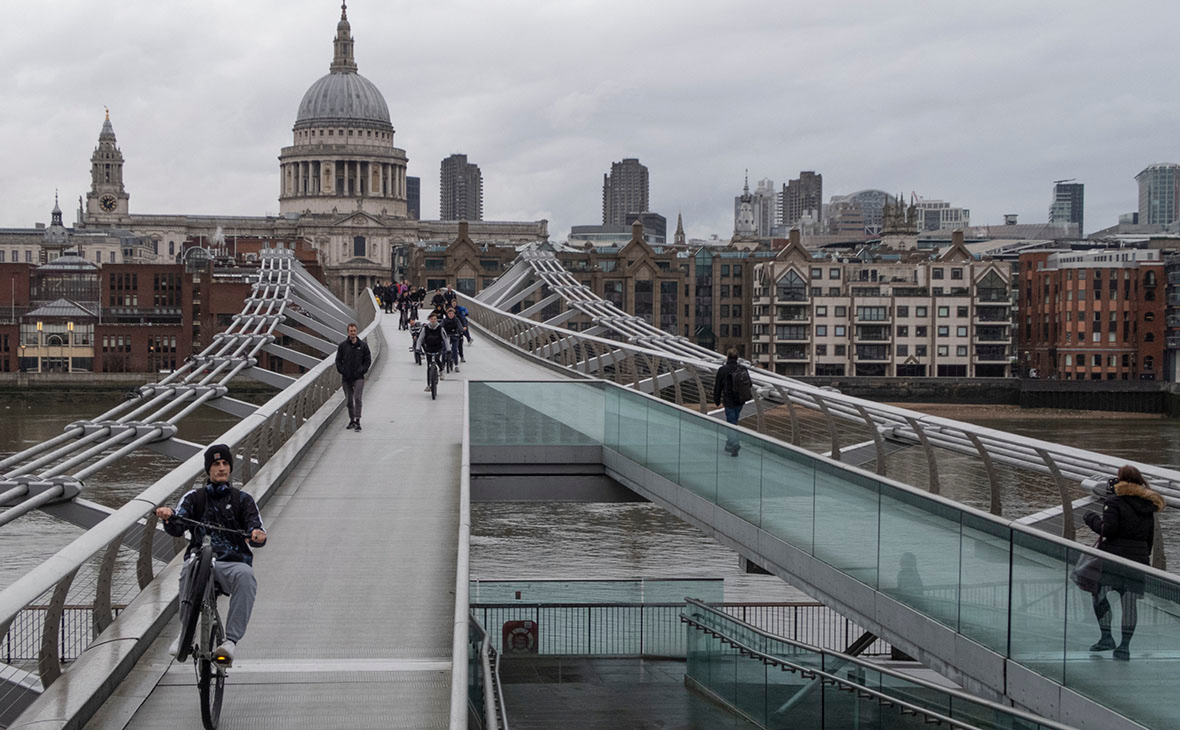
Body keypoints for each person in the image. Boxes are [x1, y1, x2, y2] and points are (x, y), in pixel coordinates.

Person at [156, 444, 267, 666]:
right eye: (216, 464)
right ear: (209, 469)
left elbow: (257, 528)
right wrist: (168, 517)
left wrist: (257, 534)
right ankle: (186, 634)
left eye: (225, 463)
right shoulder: (193, 498)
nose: (221, 468)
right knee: (188, 568)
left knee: (246, 577)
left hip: (232, 562)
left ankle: (230, 642)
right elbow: (178, 526)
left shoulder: (242, 499)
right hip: (201, 559)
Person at [1082, 464, 1166, 660]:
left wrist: (1091, 518)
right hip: (1138, 559)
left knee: (1099, 595)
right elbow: (1149, 538)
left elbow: (1108, 530)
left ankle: (1106, 638)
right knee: (1129, 603)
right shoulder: (1148, 505)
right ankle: (1124, 647)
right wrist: (1144, 561)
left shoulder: (1114, 502)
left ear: (1122, 481)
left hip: (1114, 558)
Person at [335, 323, 371, 432]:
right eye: (351, 331)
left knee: (357, 398)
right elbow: (338, 360)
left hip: (358, 377)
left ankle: (358, 420)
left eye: (354, 331)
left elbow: (367, 360)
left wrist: (362, 370)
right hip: (346, 377)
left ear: (357, 331)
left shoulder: (363, 346)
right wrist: (342, 370)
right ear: (348, 332)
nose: (353, 333)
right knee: (349, 401)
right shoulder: (342, 346)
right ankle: (351, 420)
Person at [713, 349, 749, 456]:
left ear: (727, 357)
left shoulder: (723, 369)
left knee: (731, 423)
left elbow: (718, 386)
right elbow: (749, 383)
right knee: (734, 420)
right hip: (740, 400)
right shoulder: (743, 368)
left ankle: (734, 443)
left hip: (729, 400)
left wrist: (717, 400)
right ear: (737, 358)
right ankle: (730, 443)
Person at [416, 312, 448, 390]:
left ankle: (441, 370)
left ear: (437, 320)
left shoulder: (440, 328)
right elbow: (420, 339)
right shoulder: (425, 329)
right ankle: (428, 384)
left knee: (437, 359)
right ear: (429, 320)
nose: (433, 320)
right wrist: (417, 348)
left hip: (438, 348)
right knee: (429, 366)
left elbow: (445, 339)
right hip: (429, 348)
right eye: (431, 319)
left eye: (435, 319)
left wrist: (448, 349)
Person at [442, 308, 464, 373]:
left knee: (454, 349)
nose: (451, 315)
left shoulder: (456, 320)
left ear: (454, 314)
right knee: (444, 350)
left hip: (454, 335)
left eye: (452, 314)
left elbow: (460, 326)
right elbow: (441, 326)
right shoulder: (445, 320)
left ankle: (456, 365)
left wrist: (461, 331)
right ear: (447, 314)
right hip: (446, 336)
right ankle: (443, 364)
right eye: (449, 314)